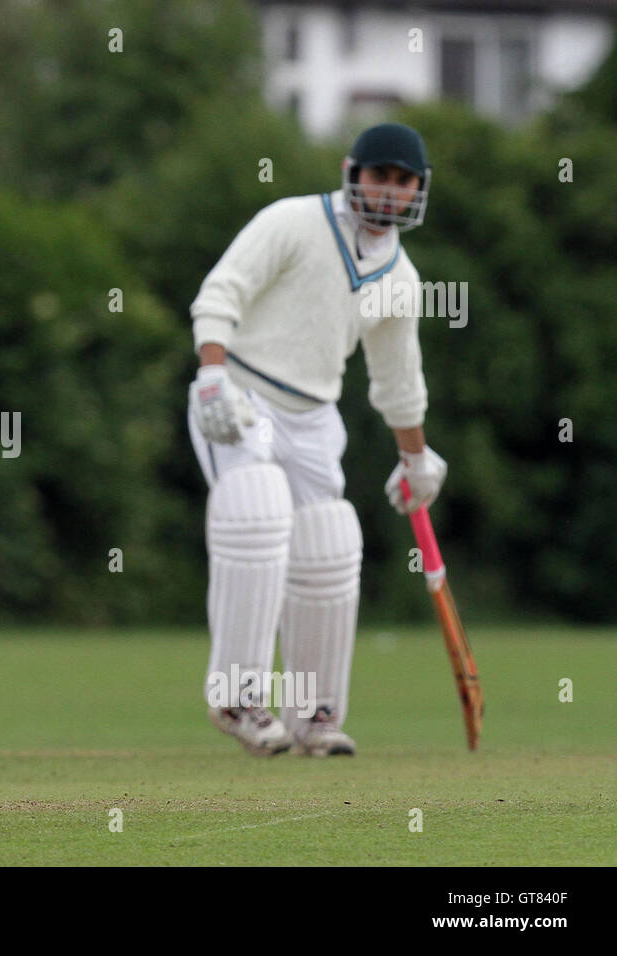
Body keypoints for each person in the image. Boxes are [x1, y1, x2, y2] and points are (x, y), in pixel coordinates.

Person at [187, 122, 445, 757]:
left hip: (312, 415)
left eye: (402, 180)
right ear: (352, 171)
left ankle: (314, 713)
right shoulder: (293, 221)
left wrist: (416, 457)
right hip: (240, 393)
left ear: (418, 189)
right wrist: (213, 375)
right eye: (379, 176)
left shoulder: (400, 279)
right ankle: (238, 698)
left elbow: (396, 380)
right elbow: (221, 293)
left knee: (331, 538)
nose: (389, 192)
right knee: (258, 503)